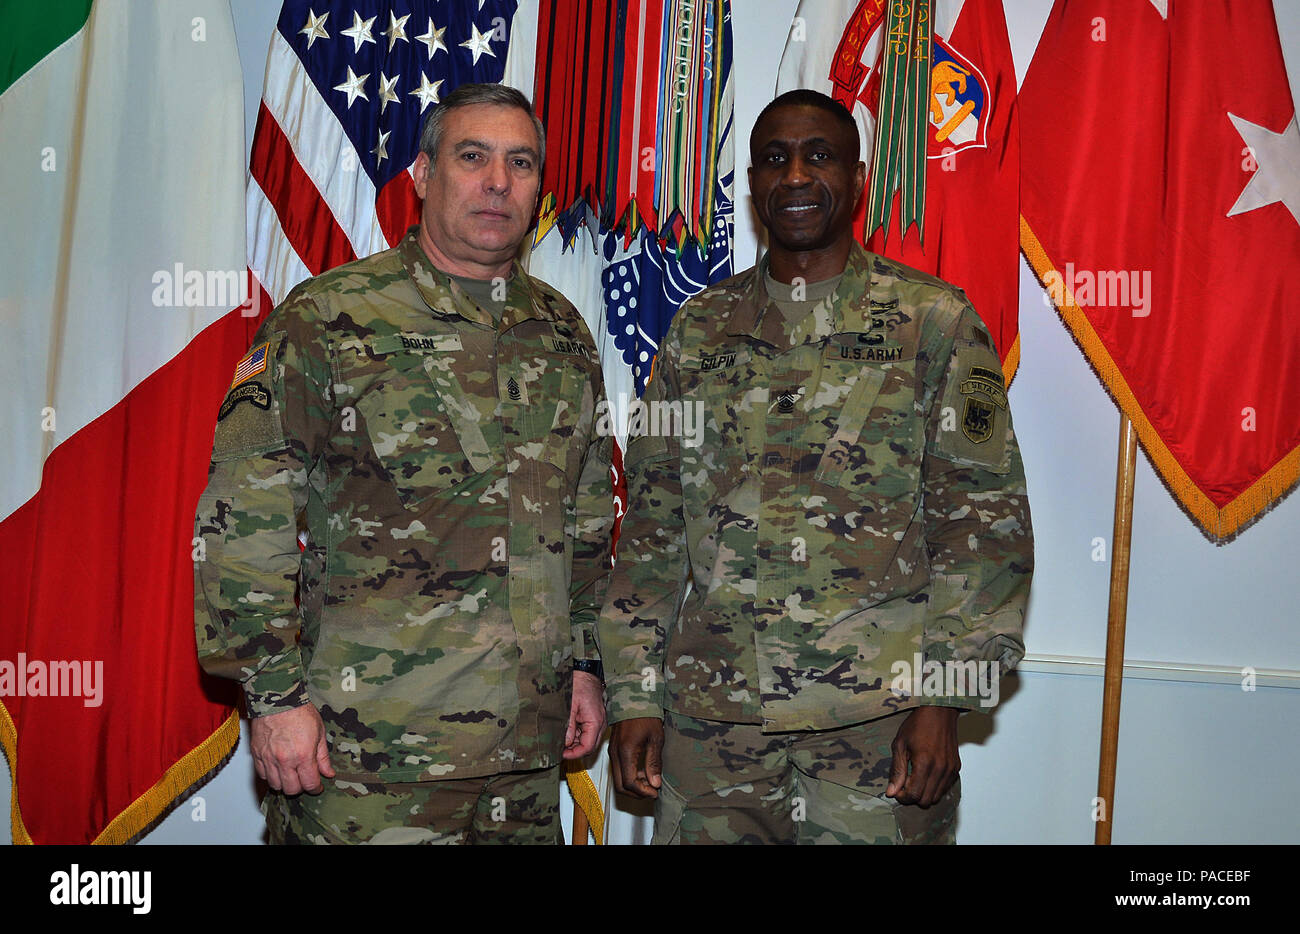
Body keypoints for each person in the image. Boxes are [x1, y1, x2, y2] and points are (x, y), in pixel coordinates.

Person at [597, 89, 1033, 845]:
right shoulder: (697, 331)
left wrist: (945, 703)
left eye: (818, 156)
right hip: (713, 727)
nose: (795, 176)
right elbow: (653, 528)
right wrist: (635, 694)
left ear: (858, 180)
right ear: (754, 186)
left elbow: (984, 528)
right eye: (774, 159)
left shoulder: (937, 323)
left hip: (877, 729)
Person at [194, 83, 613, 845]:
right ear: (422, 174)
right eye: (472, 156)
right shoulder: (328, 318)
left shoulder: (562, 333)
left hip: (523, 759)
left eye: (520, 163)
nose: (497, 181)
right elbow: (243, 516)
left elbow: (583, 519)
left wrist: (586, 660)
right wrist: (273, 696)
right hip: (366, 759)